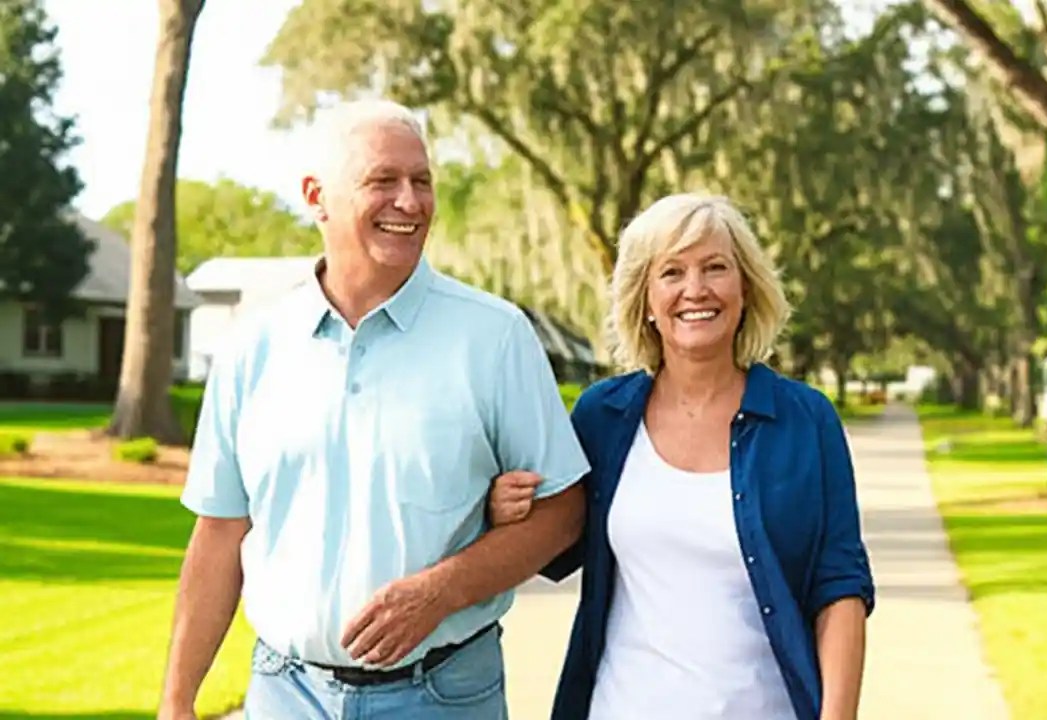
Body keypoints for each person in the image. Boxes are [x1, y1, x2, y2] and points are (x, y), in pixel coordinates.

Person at [158, 99, 589, 719]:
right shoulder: (253, 347)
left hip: (443, 695)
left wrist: (440, 593)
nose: (409, 202)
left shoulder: (495, 336)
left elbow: (562, 513)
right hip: (286, 694)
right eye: (382, 181)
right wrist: (176, 701)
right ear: (317, 197)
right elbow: (220, 533)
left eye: (421, 181)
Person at [489, 192, 876, 720]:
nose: (696, 290)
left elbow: (840, 589)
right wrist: (504, 508)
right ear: (646, 299)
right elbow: (556, 544)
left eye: (715, 267)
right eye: (671, 272)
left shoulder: (806, 421)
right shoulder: (603, 416)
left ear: (746, 288)